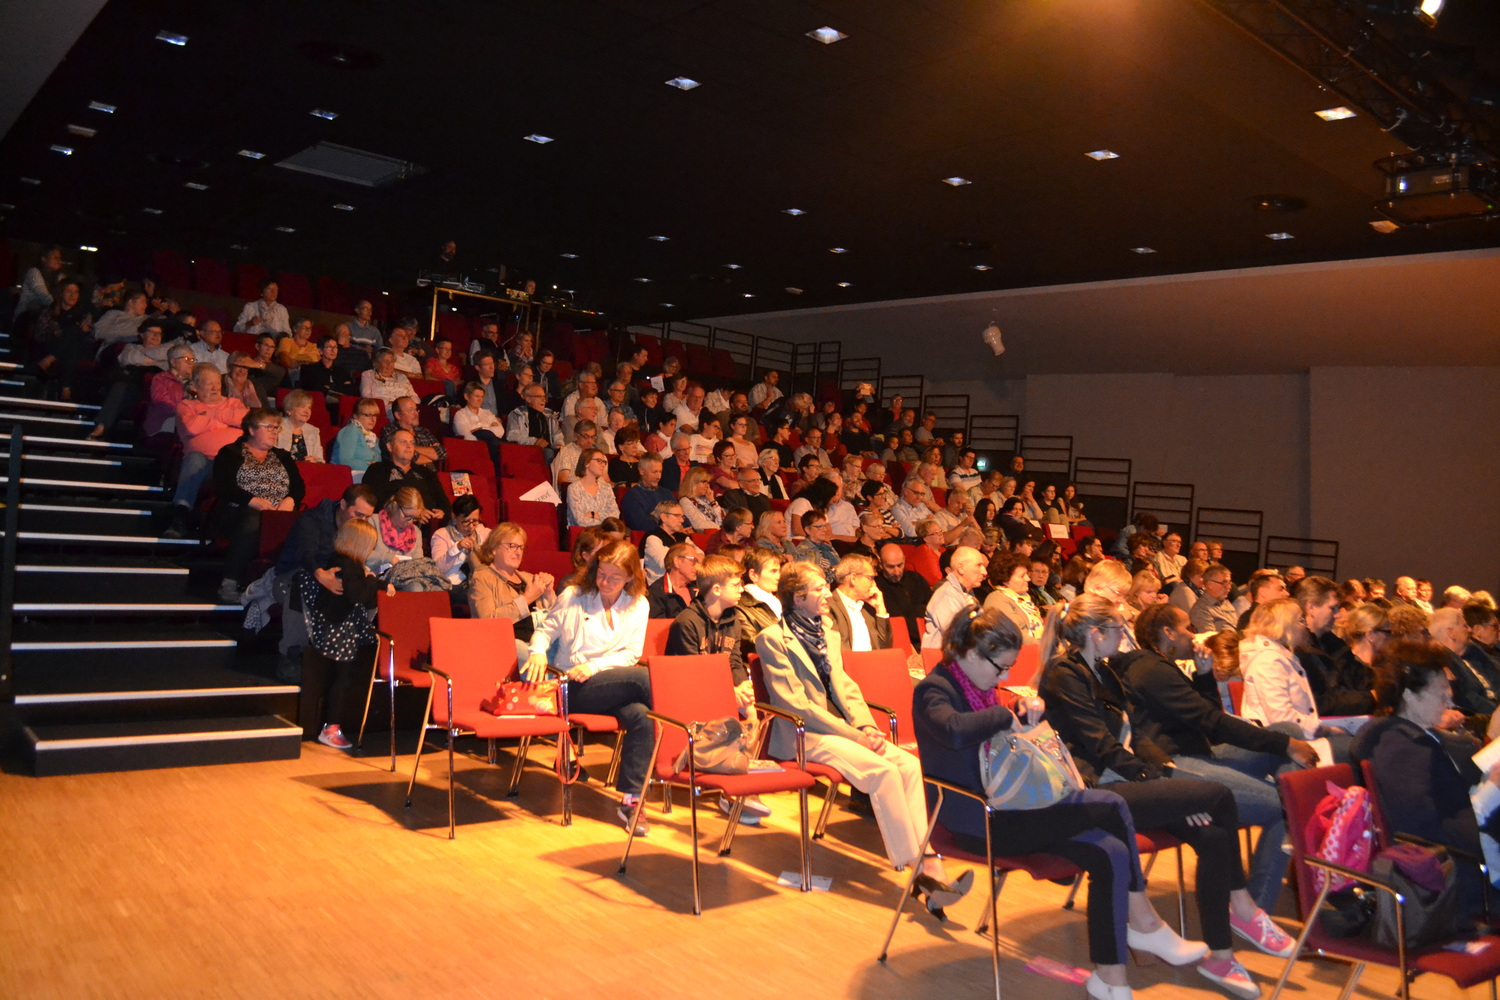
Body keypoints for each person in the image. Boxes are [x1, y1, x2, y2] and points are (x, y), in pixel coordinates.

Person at [915, 609, 1218, 999]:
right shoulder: (934, 689)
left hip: (1013, 811)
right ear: (972, 654)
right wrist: (1007, 715)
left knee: (1108, 850)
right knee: (1109, 805)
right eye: (1001, 667)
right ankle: (1145, 923)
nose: (1005, 678)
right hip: (979, 822)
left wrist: (1017, 713)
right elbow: (954, 732)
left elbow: (989, 729)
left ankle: (1111, 980)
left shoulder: (980, 688)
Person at [1038, 595, 1298, 987]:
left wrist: (1165, 775)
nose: (1123, 636)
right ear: (1096, 633)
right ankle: (1242, 906)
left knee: (1212, 833)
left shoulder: (1105, 670)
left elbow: (1136, 734)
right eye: (1117, 629)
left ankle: (1222, 958)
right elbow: (1100, 748)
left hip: (1132, 780)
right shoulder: (1065, 674)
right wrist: (1160, 783)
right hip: (1102, 789)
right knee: (1218, 795)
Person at [756, 562, 971, 908]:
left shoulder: (827, 633)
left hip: (846, 730)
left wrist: (866, 725)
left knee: (909, 766)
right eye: (819, 590)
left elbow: (846, 688)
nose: (827, 594)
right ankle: (923, 869)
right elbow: (797, 705)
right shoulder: (771, 640)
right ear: (797, 598)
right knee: (883, 772)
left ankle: (929, 859)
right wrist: (854, 736)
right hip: (806, 735)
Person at [1120, 604, 1317, 912]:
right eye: (1187, 627)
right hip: (1175, 763)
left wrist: (1203, 677)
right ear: (1167, 633)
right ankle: (1253, 910)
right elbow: (1213, 723)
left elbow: (1208, 723)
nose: (1194, 635)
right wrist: (1285, 745)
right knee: (1283, 805)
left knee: (1289, 729)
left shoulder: (1163, 666)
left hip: (1200, 753)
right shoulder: (1151, 670)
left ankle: (1286, 826)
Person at [1352, 639, 1496, 920]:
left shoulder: (1415, 736)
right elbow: (1425, 832)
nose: (1450, 699)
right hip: (1457, 883)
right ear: (1409, 696)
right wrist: (1491, 791)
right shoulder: (1400, 750)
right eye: (1440, 692)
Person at [521, 541, 653, 833]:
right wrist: (538, 652)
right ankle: (694, 733)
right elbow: (544, 632)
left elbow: (631, 653)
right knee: (647, 679)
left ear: (631, 577)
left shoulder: (638, 604)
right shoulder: (574, 596)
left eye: (614, 578)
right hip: (572, 686)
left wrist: (594, 667)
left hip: (610, 682)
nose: (605, 582)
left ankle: (632, 800)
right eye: (601, 574)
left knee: (643, 716)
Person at [300, 517, 381, 750]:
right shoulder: (348, 567)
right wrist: (372, 581)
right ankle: (331, 727)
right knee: (342, 678)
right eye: (370, 545)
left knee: (344, 678)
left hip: (343, 627)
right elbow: (357, 595)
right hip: (338, 629)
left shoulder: (344, 564)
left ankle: (333, 726)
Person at [211, 408, 305, 604]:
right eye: (269, 427)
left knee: (306, 523)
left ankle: (290, 587)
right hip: (240, 509)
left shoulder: (282, 456)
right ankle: (229, 583)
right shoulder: (231, 453)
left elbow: (298, 486)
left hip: (280, 512)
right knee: (254, 519)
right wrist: (254, 501)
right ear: (252, 430)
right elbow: (224, 486)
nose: (274, 432)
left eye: (276, 428)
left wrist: (289, 500)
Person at [1240, 599, 1351, 760]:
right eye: (1300, 620)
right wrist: (1327, 730)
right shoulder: (1268, 661)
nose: (1305, 625)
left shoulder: (1279, 657)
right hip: (1282, 747)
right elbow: (1281, 719)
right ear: (1285, 625)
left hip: (1297, 737)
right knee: (1357, 750)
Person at [166, 364, 251, 537]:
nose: (215, 387)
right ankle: (181, 515)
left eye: (217, 383)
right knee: (195, 458)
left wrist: (209, 416)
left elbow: (245, 420)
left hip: (233, 462)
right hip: (205, 465)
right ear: (195, 386)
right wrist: (226, 419)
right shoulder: (186, 405)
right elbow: (191, 427)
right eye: (208, 383)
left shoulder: (234, 402)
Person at [469, 522, 556, 662]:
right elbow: (488, 621)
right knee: (522, 650)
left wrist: (549, 595)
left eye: (521, 547)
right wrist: (526, 599)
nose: (518, 552)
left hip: (538, 642)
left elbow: (557, 620)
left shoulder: (529, 578)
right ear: (493, 549)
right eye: (511, 546)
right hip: (504, 643)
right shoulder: (482, 578)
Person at [361, 427, 450, 516]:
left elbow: (443, 502)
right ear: (390, 447)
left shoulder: (426, 472)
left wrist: (441, 512)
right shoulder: (377, 470)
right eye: (403, 442)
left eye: (412, 443)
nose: (409, 446)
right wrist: (414, 514)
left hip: (428, 524)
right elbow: (373, 503)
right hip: (391, 525)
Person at [922, 546, 987, 648]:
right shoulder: (946, 595)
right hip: (944, 660)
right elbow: (958, 635)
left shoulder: (967, 593)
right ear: (961, 568)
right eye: (978, 565)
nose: (984, 572)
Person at [827, 554, 892, 652]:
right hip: (849, 666)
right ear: (854, 578)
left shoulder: (867, 609)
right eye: (870, 578)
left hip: (873, 664)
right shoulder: (828, 606)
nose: (874, 584)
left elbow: (885, 648)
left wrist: (880, 609)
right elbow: (837, 651)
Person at [430, 495, 490, 591]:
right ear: (454, 517)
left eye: (474, 521)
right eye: (465, 522)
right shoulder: (442, 535)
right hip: (453, 586)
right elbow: (438, 570)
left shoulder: (483, 532)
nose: (471, 526)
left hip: (480, 582)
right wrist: (456, 548)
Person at [982, 551, 1044, 643]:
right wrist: (1047, 648)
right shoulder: (997, 599)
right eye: (1022, 576)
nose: (1028, 579)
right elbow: (1013, 634)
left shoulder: (1024, 598)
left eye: (1027, 574)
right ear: (1006, 580)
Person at [639, 500, 692, 583]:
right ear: (663, 517)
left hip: (684, 583)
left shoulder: (682, 537)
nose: (682, 520)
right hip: (662, 587)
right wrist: (690, 559)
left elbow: (701, 556)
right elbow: (666, 563)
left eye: (682, 516)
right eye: (677, 516)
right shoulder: (653, 538)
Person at [330, 398, 383, 480]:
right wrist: (372, 468)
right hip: (346, 476)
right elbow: (345, 461)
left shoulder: (373, 437)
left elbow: (378, 460)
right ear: (355, 416)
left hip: (367, 475)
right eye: (367, 415)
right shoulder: (351, 430)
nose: (373, 420)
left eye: (375, 415)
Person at [567, 448, 619, 527]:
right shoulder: (574, 488)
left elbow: (615, 515)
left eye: (604, 462)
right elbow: (580, 520)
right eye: (599, 461)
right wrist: (605, 522)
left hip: (606, 533)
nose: (603, 465)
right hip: (583, 534)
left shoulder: (606, 488)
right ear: (587, 463)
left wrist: (593, 514)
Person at [647, 542, 699, 619]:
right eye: (693, 561)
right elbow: (658, 627)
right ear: (677, 561)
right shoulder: (656, 593)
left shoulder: (698, 589)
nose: (697, 567)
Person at [359, 349, 417, 415]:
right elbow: (366, 396)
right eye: (386, 361)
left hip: (406, 408)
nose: (389, 364)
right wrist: (389, 403)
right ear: (376, 363)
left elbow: (414, 396)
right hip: (382, 408)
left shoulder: (402, 377)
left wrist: (410, 405)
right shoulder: (368, 375)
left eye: (392, 361)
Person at [276, 390, 324, 463]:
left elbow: (321, 461)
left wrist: (314, 461)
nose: (307, 411)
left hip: (306, 471)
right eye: (302, 407)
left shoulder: (313, 431)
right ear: (289, 409)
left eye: (309, 407)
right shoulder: (277, 426)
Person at [1190, 563, 1238, 634]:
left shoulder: (1226, 603)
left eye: (1229, 583)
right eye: (1224, 582)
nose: (1229, 587)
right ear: (1210, 585)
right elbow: (1210, 640)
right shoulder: (1201, 609)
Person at [792, 510, 839, 578]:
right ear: (808, 530)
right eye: (819, 527)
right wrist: (834, 569)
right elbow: (812, 577)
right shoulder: (803, 551)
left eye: (825, 526)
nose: (824, 530)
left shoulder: (828, 547)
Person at [678, 466, 724, 532]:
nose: (707, 486)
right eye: (704, 482)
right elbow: (698, 524)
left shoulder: (707, 499)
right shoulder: (685, 501)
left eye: (708, 482)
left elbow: (723, 520)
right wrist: (720, 528)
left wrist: (712, 501)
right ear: (693, 482)